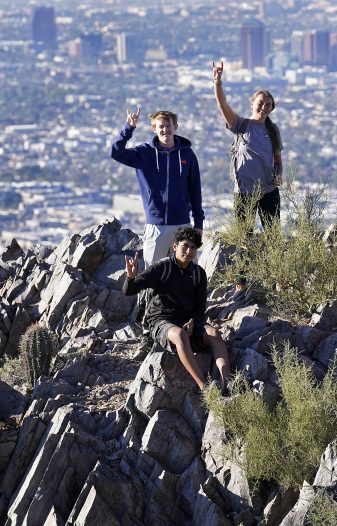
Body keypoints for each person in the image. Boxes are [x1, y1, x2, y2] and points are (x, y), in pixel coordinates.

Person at [122, 227, 231, 393]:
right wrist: (130, 277)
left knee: (214, 334)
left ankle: (227, 383)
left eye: (193, 247)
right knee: (180, 335)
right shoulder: (162, 267)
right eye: (185, 246)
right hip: (160, 321)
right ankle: (205, 388)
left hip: (188, 321)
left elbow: (200, 307)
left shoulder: (198, 274)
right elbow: (129, 290)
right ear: (175, 246)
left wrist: (193, 322)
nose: (188, 251)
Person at [110, 107, 204, 267]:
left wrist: (198, 224)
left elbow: (195, 190)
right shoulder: (144, 153)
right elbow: (116, 152)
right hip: (155, 225)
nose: (165, 130)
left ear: (176, 127)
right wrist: (128, 128)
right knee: (152, 274)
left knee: (187, 273)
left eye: (168, 126)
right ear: (154, 128)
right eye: (161, 126)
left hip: (182, 224)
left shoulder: (187, 154)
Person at [212, 61, 283, 228]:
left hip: (269, 190)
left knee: (273, 235)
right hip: (244, 192)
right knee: (244, 236)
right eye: (260, 103)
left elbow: (278, 161)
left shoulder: (273, 130)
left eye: (268, 105)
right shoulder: (241, 125)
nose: (264, 107)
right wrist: (217, 82)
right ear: (252, 104)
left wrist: (279, 175)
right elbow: (222, 105)